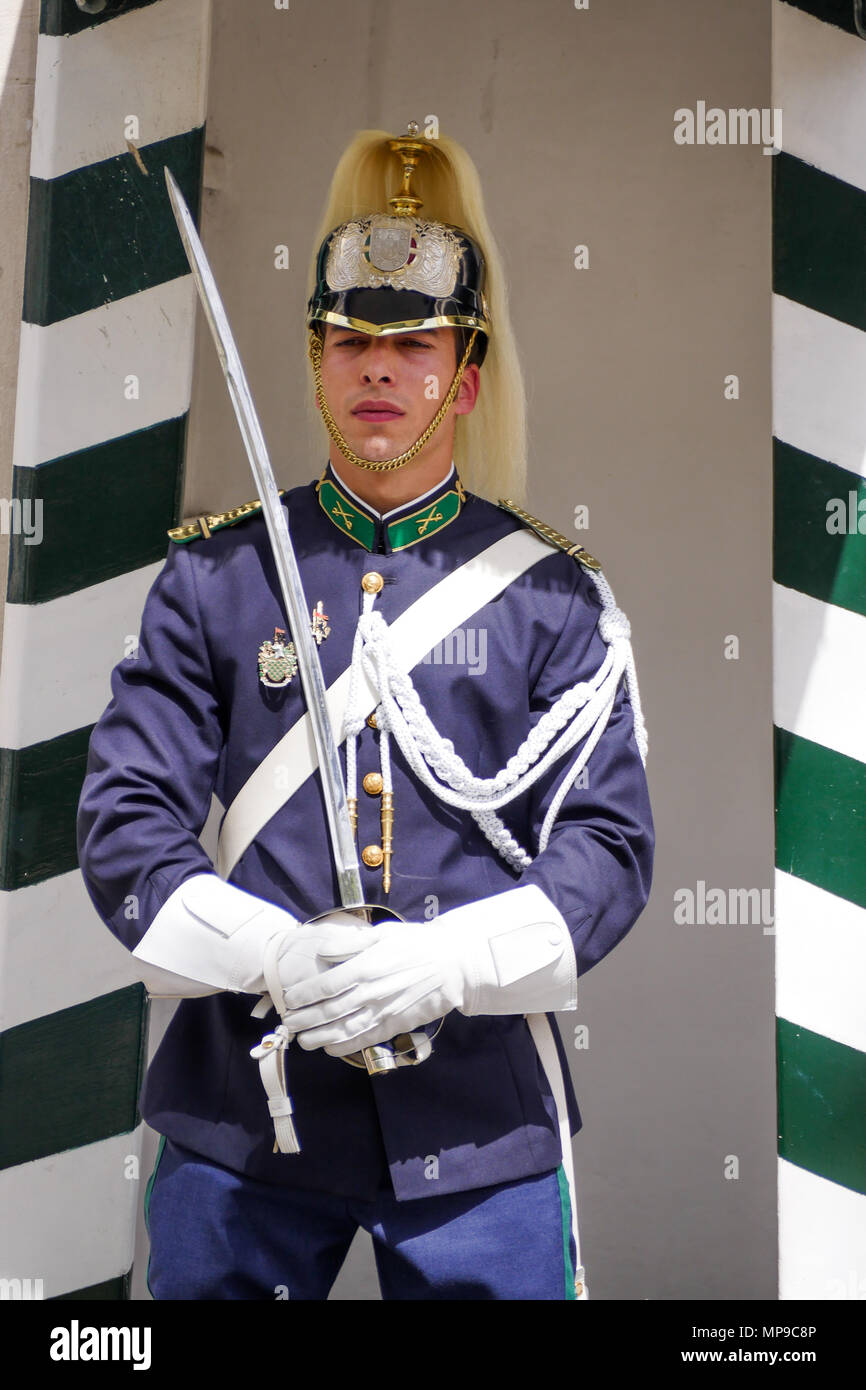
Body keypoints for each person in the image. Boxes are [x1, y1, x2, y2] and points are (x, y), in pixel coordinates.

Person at [77, 126, 654, 1301]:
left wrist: (447, 962)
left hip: (477, 1125)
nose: (376, 370)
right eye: (349, 342)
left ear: (464, 377)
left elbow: (608, 846)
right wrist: (271, 953)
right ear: (316, 364)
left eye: (413, 345)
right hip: (246, 1116)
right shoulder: (217, 577)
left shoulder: (550, 597)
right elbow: (125, 825)